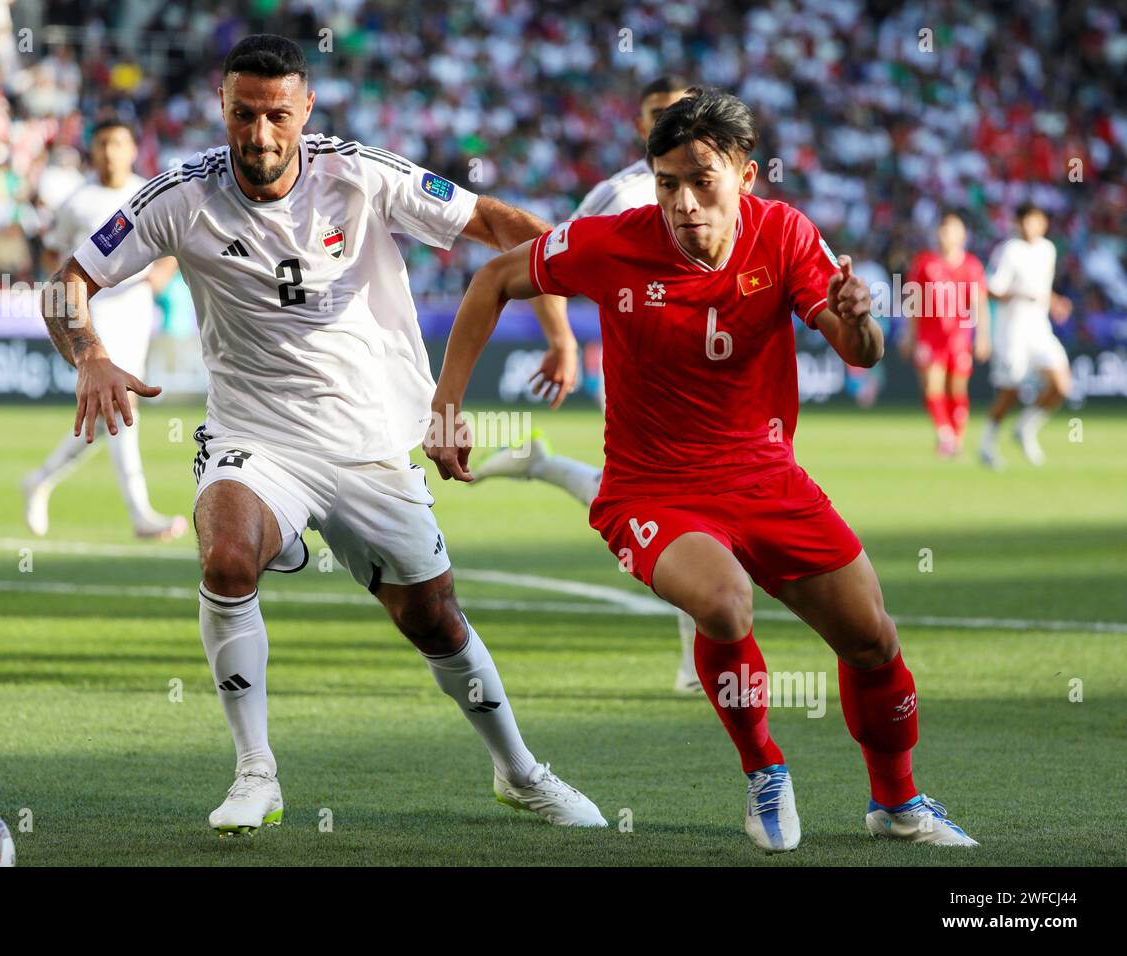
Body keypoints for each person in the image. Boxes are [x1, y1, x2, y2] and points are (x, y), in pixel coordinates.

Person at [39, 35, 603, 834]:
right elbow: (67, 283)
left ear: (306, 110)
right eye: (243, 114)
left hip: (367, 439)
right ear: (222, 110)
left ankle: (520, 771)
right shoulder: (180, 197)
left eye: (277, 115)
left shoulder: (360, 174)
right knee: (227, 555)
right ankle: (255, 771)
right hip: (255, 434)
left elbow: (503, 223)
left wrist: (562, 333)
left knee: (434, 620)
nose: (260, 135)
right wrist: (90, 354)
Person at [427, 88, 976, 852]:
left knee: (873, 640)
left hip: (766, 479)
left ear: (746, 176)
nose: (683, 203)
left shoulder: (784, 235)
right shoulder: (611, 240)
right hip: (651, 489)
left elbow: (860, 350)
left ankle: (897, 802)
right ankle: (764, 768)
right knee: (724, 604)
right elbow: (493, 279)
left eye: (701, 180)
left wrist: (859, 321)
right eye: (666, 183)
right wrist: (447, 402)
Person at [472, 76, 707, 694]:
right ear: (640, 126)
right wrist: (564, 341)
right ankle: (696, 665)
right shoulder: (621, 193)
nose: (675, 121)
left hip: (714, 375)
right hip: (644, 376)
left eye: (685, 110)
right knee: (689, 514)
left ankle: (542, 466)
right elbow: (541, 256)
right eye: (661, 114)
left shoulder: (722, 186)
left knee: (680, 511)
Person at [23, 119, 186, 540]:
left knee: (102, 418)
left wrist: (161, 274)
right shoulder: (78, 201)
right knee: (119, 406)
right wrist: (66, 316)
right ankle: (140, 514)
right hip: (98, 314)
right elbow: (58, 262)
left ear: (133, 149)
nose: (110, 152)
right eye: (102, 144)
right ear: (92, 151)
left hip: (137, 308)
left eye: (118, 143)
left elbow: (174, 244)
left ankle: (40, 479)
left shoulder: (147, 191)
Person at [979, 203, 1071, 468]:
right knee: (1011, 390)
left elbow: (1041, 288)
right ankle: (987, 443)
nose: (1032, 225)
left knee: (1062, 384)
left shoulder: (1048, 250)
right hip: (1013, 331)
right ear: (1018, 223)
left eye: (1037, 220)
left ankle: (1025, 428)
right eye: (1027, 221)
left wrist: (1055, 302)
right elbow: (991, 289)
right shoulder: (1009, 250)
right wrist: (1019, 294)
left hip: (1039, 328)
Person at [900, 210, 990, 456]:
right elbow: (913, 302)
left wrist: (983, 336)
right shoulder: (924, 263)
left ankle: (956, 437)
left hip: (959, 337)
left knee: (957, 390)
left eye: (950, 229)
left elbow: (980, 303)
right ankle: (945, 434)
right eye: (942, 229)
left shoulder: (972, 265)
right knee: (932, 386)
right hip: (929, 337)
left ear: (962, 234)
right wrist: (909, 335)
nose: (944, 234)